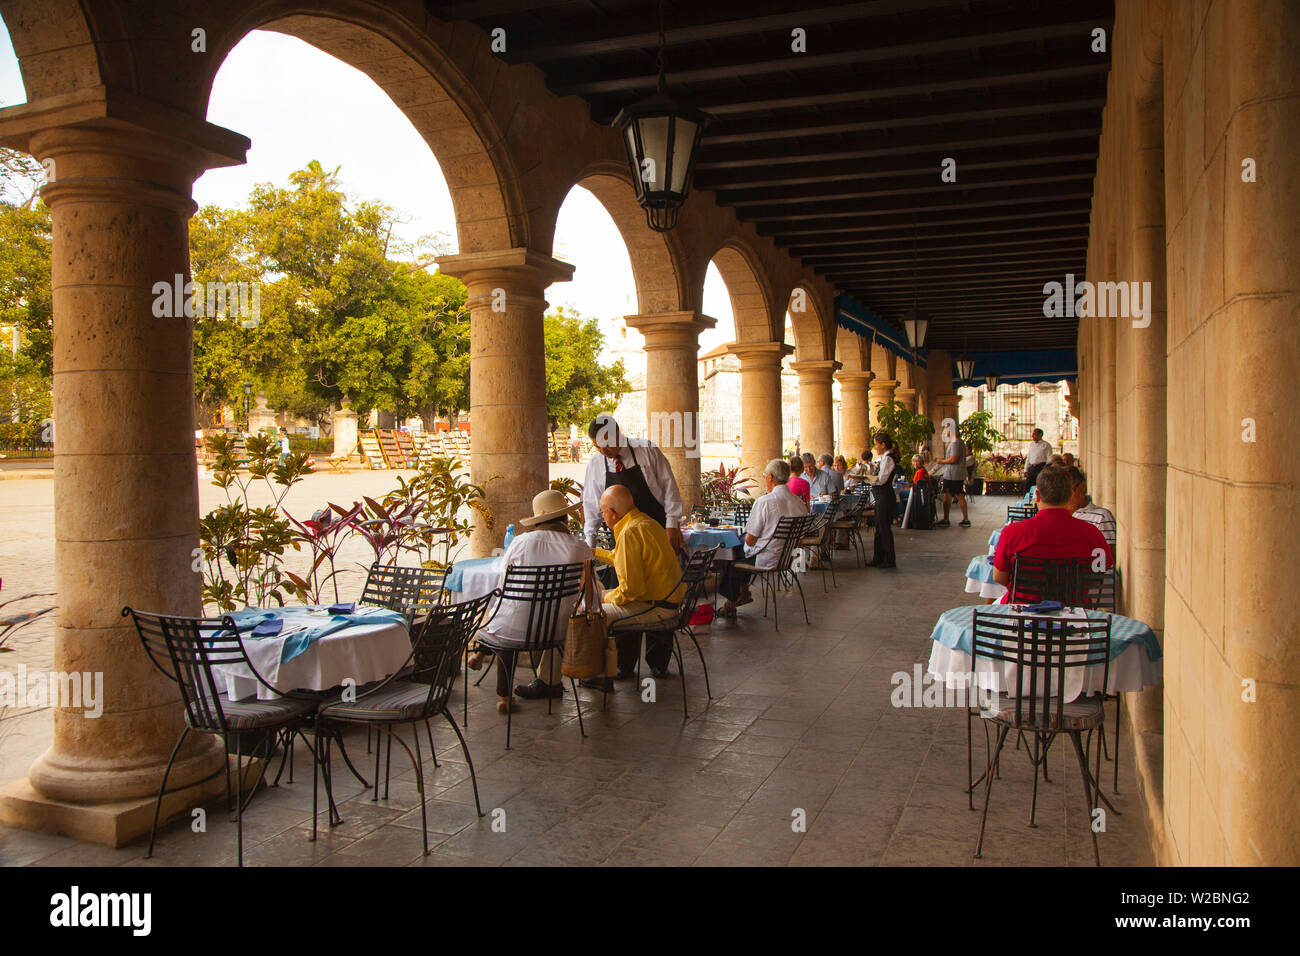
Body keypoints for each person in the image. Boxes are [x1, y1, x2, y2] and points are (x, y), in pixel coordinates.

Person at [467, 489, 595, 712]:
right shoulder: (580, 547)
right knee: (550, 613)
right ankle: (548, 681)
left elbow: (503, 584)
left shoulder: (520, 542)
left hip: (514, 629)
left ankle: (503, 697)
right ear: (565, 517)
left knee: (506, 619)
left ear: (539, 520)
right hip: (559, 630)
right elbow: (588, 586)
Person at [581, 484, 685, 685]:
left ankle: (601, 675)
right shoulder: (648, 523)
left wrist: (605, 597)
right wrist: (595, 552)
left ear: (612, 513)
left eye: (603, 511)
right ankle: (613, 667)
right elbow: (622, 559)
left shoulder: (629, 532)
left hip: (657, 608)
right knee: (601, 599)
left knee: (593, 612)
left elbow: (631, 591)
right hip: (671, 601)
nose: (603, 516)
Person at [991, 464, 1113, 603]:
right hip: (1074, 616)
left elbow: (999, 577)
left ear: (1037, 495)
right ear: (1069, 495)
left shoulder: (1012, 532)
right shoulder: (1093, 533)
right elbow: (1097, 579)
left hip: (1022, 615)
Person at [717, 458, 808, 618]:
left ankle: (731, 602)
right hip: (789, 559)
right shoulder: (799, 503)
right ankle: (743, 591)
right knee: (741, 551)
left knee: (731, 554)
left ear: (771, 477)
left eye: (765, 475)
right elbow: (800, 540)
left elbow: (751, 540)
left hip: (767, 559)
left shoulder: (764, 502)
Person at [582, 414, 684, 551]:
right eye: (597, 446)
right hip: (621, 542)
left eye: (606, 444)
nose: (603, 451)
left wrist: (671, 525)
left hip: (657, 532)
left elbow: (669, 487)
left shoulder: (647, 450)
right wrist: (590, 544)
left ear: (618, 434)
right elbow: (591, 505)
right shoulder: (595, 463)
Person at [862, 432, 898, 567]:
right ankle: (878, 557)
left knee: (884, 527)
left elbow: (882, 479)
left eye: (876, 444)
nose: (875, 447)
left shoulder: (888, 459)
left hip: (884, 495)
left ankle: (889, 559)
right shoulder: (884, 458)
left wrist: (867, 478)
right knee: (879, 527)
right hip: (881, 495)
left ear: (883, 445)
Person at [1065, 466, 1117, 548]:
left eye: (1068, 492)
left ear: (1082, 487)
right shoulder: (1057, 516)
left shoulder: (1102, 517)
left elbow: (1108, 556)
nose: (1065, 497)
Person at [934, 431, 970, 528]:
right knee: (952, 495)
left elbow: (954, 459)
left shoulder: (955, 443)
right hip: (954, 474)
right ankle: (962, 519)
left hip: (953, 475)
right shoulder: (959, 442)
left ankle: (952, 519)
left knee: (956, 495)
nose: (945, 434)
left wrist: (941, 461)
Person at [1024, 427, 1053, 492]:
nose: (1032, 436)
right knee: (1027, 486)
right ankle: (1027, 500)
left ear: (1040, 435)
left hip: (1041, 467)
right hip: (1032, 468)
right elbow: (1029, 457)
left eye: (1034, 434)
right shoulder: (1031, 444)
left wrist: (1046, 470)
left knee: (1039, 485)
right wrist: (1025, 469)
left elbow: (1049, 458)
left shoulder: (1046, 445)